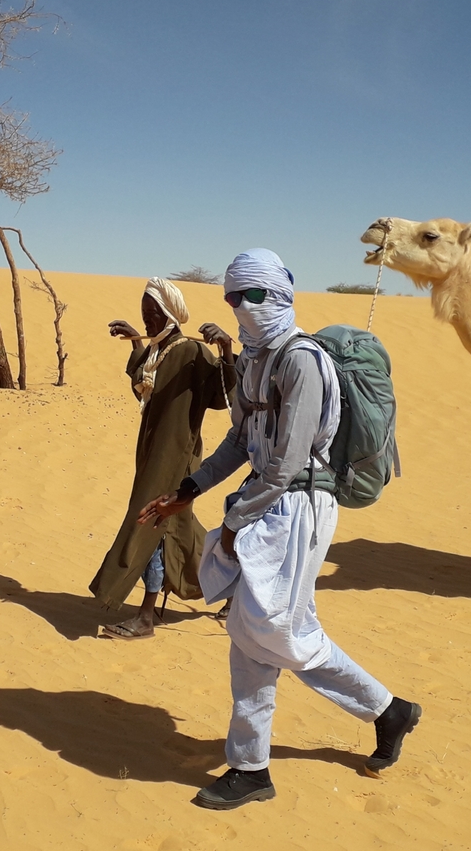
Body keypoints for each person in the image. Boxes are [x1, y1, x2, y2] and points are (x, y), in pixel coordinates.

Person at [140, 249, 421, 810]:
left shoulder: (302, 361)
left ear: (282, 294)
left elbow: (287, 462)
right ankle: (251, 767)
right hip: (261, 507)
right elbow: (241, 443)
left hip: (299, 511)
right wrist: (190, 490)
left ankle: (386, 708)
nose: (243, 307)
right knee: (251, 635)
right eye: (233, 297)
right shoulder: (252, 362)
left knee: (272, 631)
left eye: (254, 295)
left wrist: (231, 525)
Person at [89, 276, 235, 639]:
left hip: (176, 456)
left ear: (170, 312)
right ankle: (237, 582)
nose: (147, 318)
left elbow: (221, 396)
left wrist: (227, 351)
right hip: (153, 453)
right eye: (144, 313)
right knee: (179, 531)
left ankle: (144, 617)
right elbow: (144, 384)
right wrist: (137, 342)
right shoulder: (160, 350)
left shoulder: (192, 351)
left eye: (153, 313)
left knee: (150, 523)